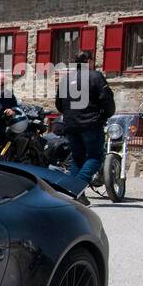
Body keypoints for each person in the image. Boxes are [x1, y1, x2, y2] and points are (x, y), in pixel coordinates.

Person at [55, 50, 115, 187]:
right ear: (88, 61)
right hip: (90, 123)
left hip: (70, 124)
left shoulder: (66, 79)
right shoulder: (96, 76)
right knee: (95, 156)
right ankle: (78, 187)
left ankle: (69, 190)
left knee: (77, 158)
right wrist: (104, 115)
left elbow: (59, 104)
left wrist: (70, 115)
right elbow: (107, 100)